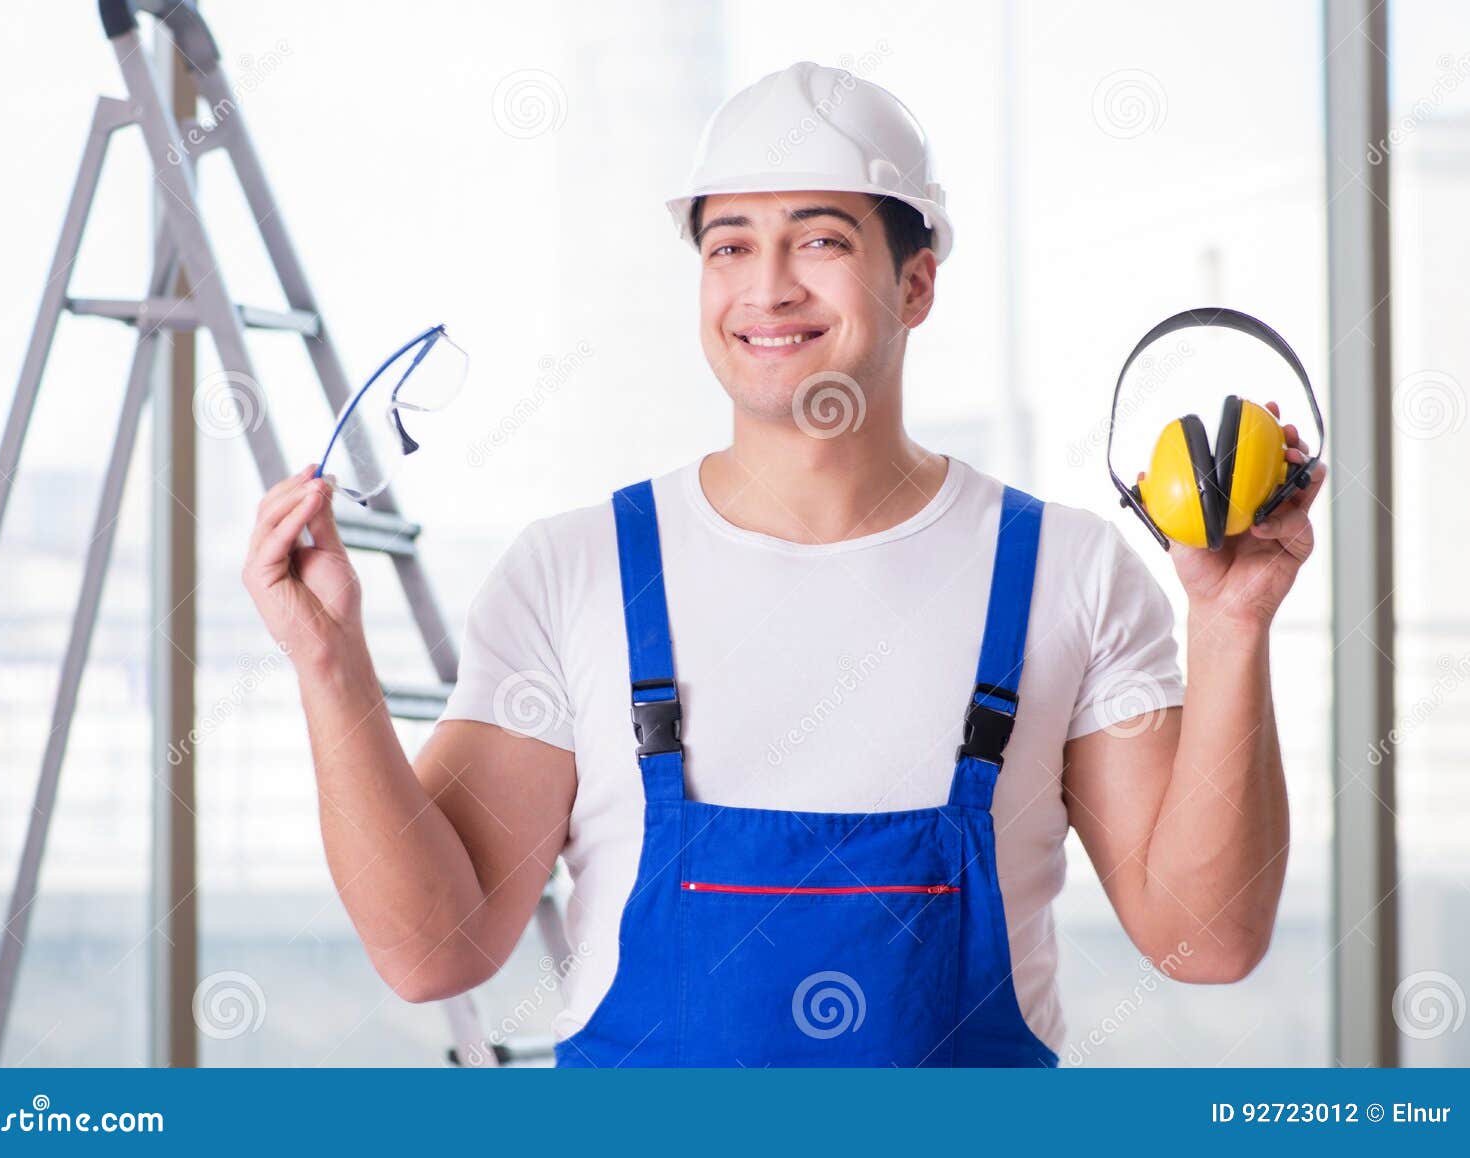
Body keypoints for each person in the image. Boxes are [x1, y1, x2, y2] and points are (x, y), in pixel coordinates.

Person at [242, 61, 1326, 1067]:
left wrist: (1229, 626)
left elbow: (1207, 941)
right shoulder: (574, 571)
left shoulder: (1066, 573)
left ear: (915, 284)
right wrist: (329, 664)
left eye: (818, 241)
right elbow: (435, 948)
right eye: (729, 246)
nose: (766, 288)